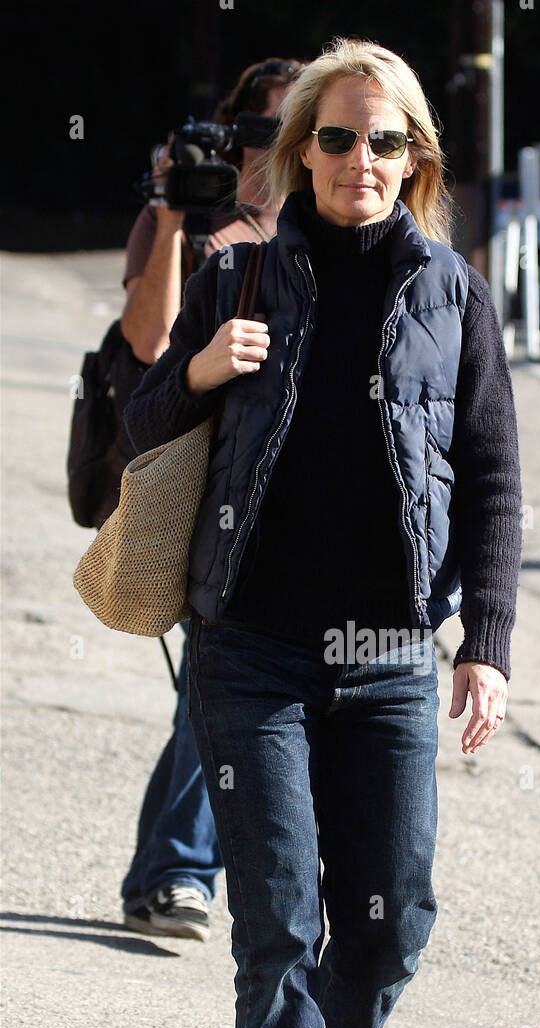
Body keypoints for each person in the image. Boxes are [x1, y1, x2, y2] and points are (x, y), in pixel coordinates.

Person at [124, 36, 521, 1028]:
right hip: (254, 653)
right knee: (280, 925)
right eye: (336, 138)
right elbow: (136, 432)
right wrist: (197, 368)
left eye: (384, 139)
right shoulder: (242, 275)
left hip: (393, 659)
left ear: (416, 158)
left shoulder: (454, 291)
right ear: (302, 150)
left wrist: (489, 644)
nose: (360, 159)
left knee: (392, 921)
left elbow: (498, 480)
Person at [119, 57, 304, 942]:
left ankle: (160, 872)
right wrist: (167, 209)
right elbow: (148, 341)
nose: (279, 147)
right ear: (233, 135)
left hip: (283, 501)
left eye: (295, 127)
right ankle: (180, 872)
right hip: (201, 489)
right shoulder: (197, 224)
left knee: (209, 692)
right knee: (221, 687)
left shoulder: (322, 224)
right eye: (262, 129)